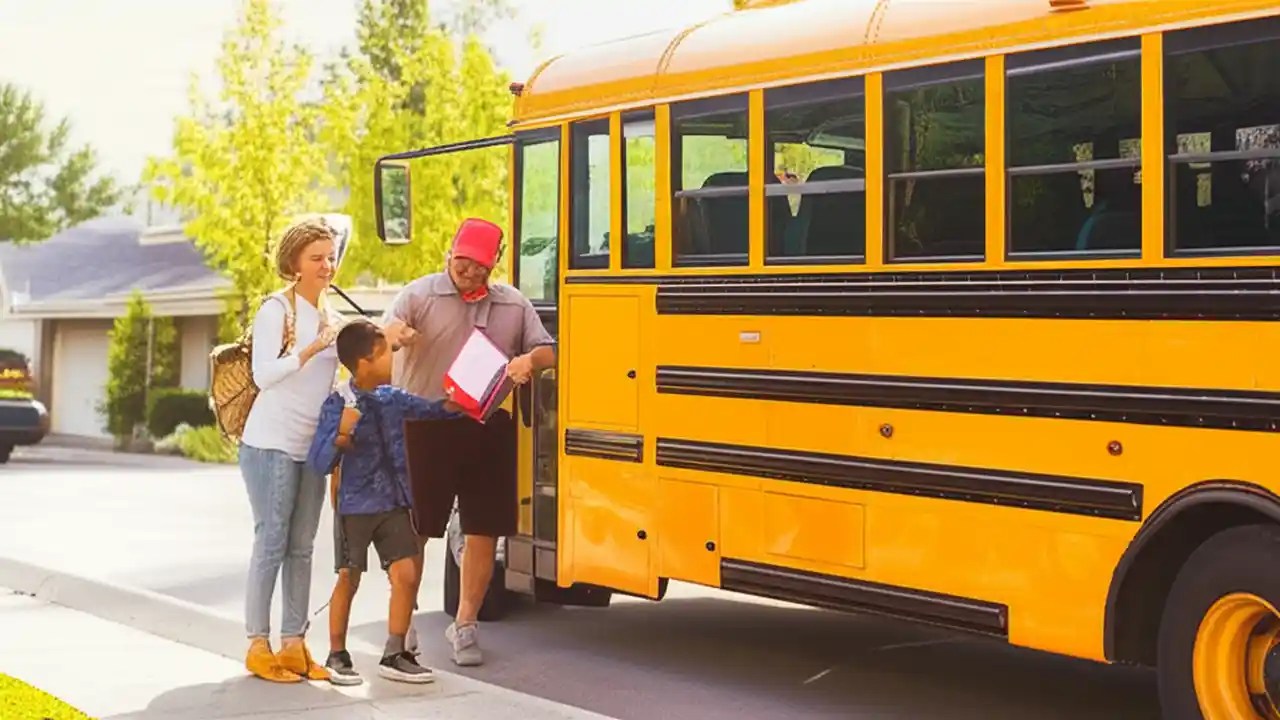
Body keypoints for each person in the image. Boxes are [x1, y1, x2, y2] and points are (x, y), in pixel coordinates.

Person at [236, 216, 408, 684]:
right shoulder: (277, 310)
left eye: (331, 257)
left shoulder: (331, 316)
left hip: (310, 448)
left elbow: (353, 372)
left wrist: (386, 338)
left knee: (302, 546)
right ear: (294, 262)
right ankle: (257, 643)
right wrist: (314, 346)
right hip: (270, 442)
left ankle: (293, 643)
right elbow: (263, 375)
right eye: (317, 258)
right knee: (271, 541)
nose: (327, 266)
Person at [381, 217, 555, 667]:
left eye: (480, 265)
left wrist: (527, 360)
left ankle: (465, 624)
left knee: (483, 530)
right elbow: (384, 334)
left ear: (494, 263)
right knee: (417, 529)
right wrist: (396, 335)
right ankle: (405, 623)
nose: (471, 272)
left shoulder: (513, 304)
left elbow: (549, 350)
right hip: (425, 425)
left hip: (489, 427)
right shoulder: (420, 294)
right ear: (449, 255)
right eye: (463, 263)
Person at [306, 320, 460, 685]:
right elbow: (319, 462)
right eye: (385, 354)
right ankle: (338, 653)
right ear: (363, 363)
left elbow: (432, 411)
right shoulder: (338, 403)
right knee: (349, 578)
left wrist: (462, 402)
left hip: (393, 504)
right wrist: (342, 434)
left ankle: (395, 652)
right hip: (355, 507)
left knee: (406, 574)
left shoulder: (393, 397)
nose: (392, 359)